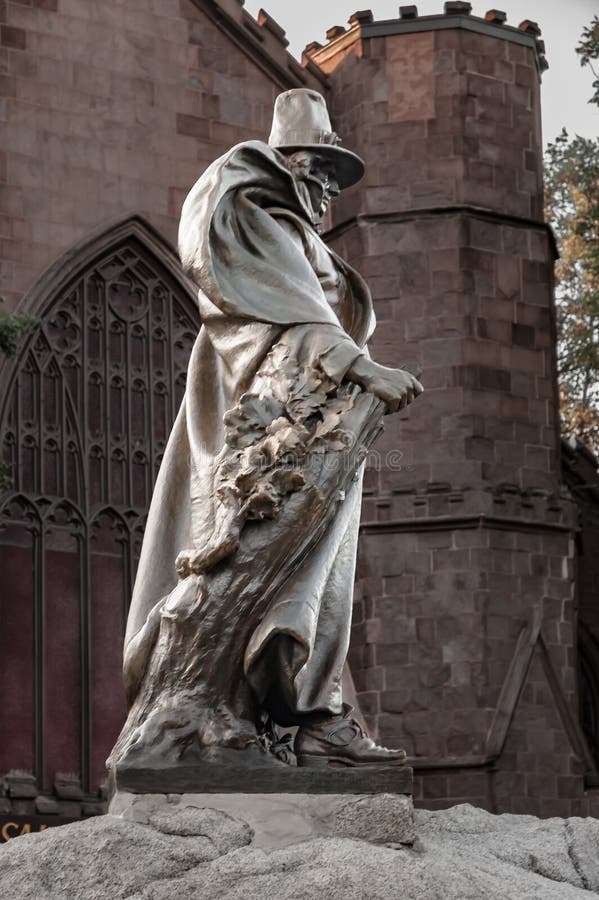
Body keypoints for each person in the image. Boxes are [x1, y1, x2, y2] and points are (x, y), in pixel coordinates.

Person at [109, 89, 423, 773]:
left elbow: (312, 313)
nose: (329, 188)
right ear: (289, 165)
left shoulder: (303, 236)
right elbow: (286, 313)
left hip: (324, 426)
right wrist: (362, 367)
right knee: (252, 563)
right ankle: (204, 715)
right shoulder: (254, 219)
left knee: (320, 572)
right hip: (275, 435)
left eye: (335, 176)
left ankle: (315, 718)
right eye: (320, 169)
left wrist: (353, 375)